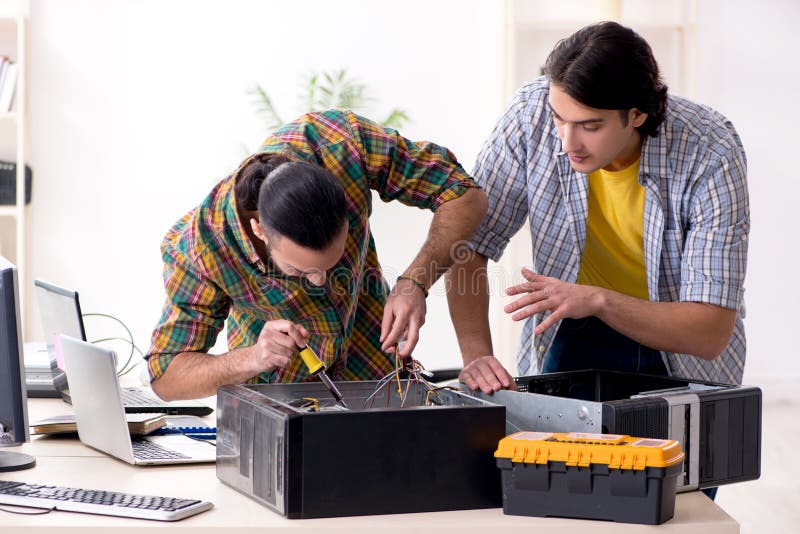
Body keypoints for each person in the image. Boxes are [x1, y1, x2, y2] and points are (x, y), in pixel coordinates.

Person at [447, 21, 749, 395]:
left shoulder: (710, 149)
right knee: (552, 434)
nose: (567, 142)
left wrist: (598, 299)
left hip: (680, 344)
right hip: (572, 325)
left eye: (590, 126)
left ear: (637, 114)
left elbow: (709, 332)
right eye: (559, 119)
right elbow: (468, 242)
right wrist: (477, 356)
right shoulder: (530, 113)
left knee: (678, 436)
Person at [146, 109, 487, 401]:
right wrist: (252, 358)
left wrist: (414, 281)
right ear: (259, 230)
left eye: (334, 262)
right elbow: (166, 376)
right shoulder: (199, 249)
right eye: (299, 271)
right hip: (280, 405)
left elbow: (464, 194)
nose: (320, 281)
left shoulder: (343, 146)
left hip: (376, 378)